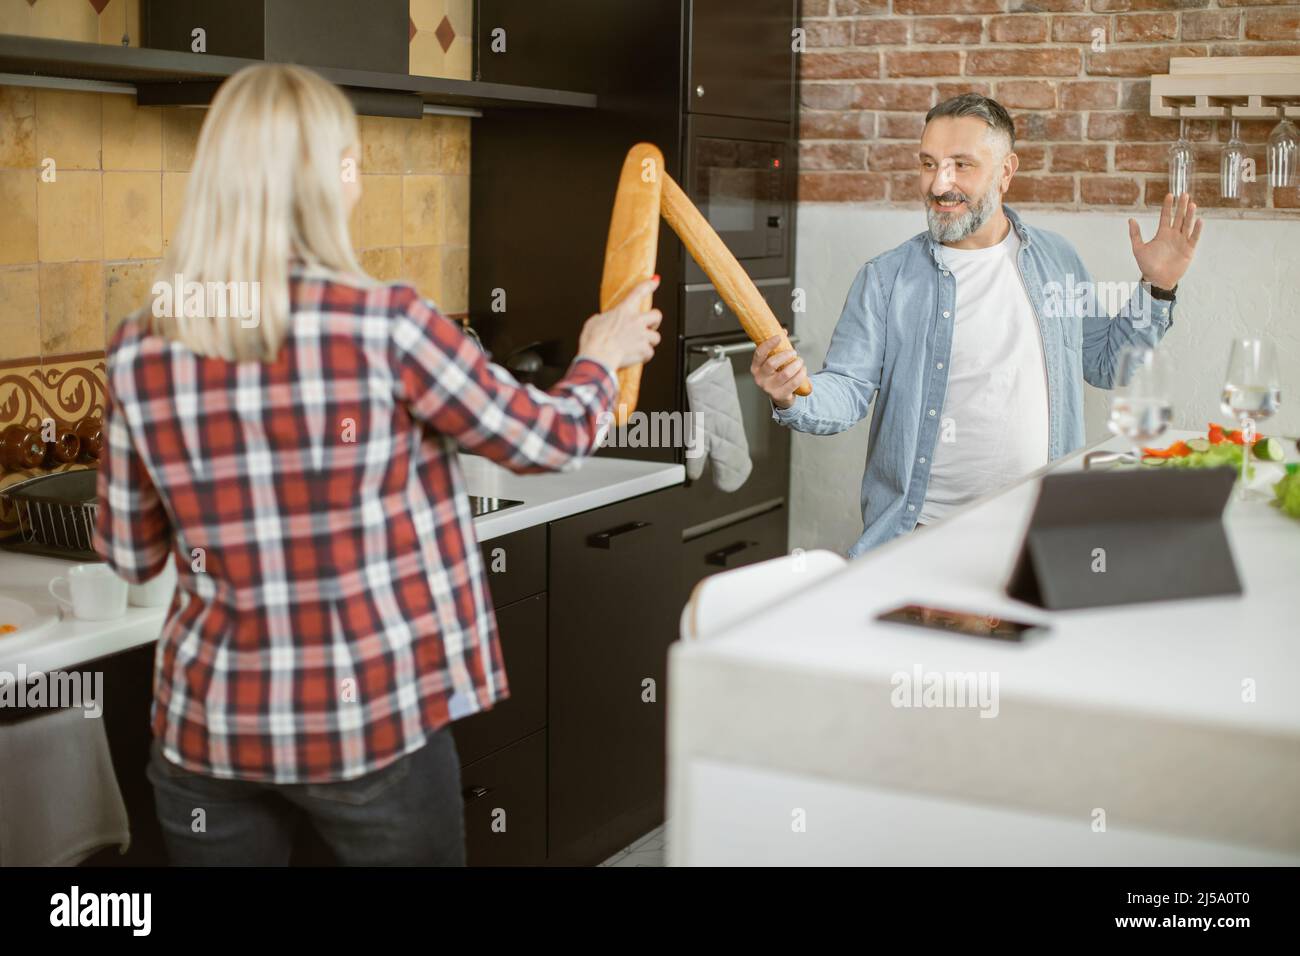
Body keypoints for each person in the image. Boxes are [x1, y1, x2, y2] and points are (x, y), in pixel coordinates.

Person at [93, 64, 661, 865]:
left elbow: (129, 552)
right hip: (369, 727)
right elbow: (548, 439)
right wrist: (601, 356)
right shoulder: (385, 324)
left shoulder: (139, 348)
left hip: (209, 730)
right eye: (351, 159)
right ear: (331, 181)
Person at [751, 93, 1201, 557]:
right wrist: (793, 391)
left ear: (1006, 172)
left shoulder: (1057, 261)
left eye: (961, 165)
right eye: (929, 163)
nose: (939, 183)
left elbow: (1109, 366)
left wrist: (1157, 287)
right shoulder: (885, 279)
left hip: (1041, 531)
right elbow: (847, 389)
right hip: (921, 537)